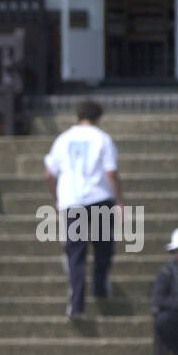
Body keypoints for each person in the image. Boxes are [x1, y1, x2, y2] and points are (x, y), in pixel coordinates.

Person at [43, 99, 123, 320]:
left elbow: (49, 173)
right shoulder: (103, 139)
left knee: (75, 254)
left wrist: (58, 197)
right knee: (103, 248)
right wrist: (120, 201)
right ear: (98, 117)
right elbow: (111, 172)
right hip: (99, 198)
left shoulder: (63, 139)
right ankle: (99, 288)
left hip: (72, 201)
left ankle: (77, 304)